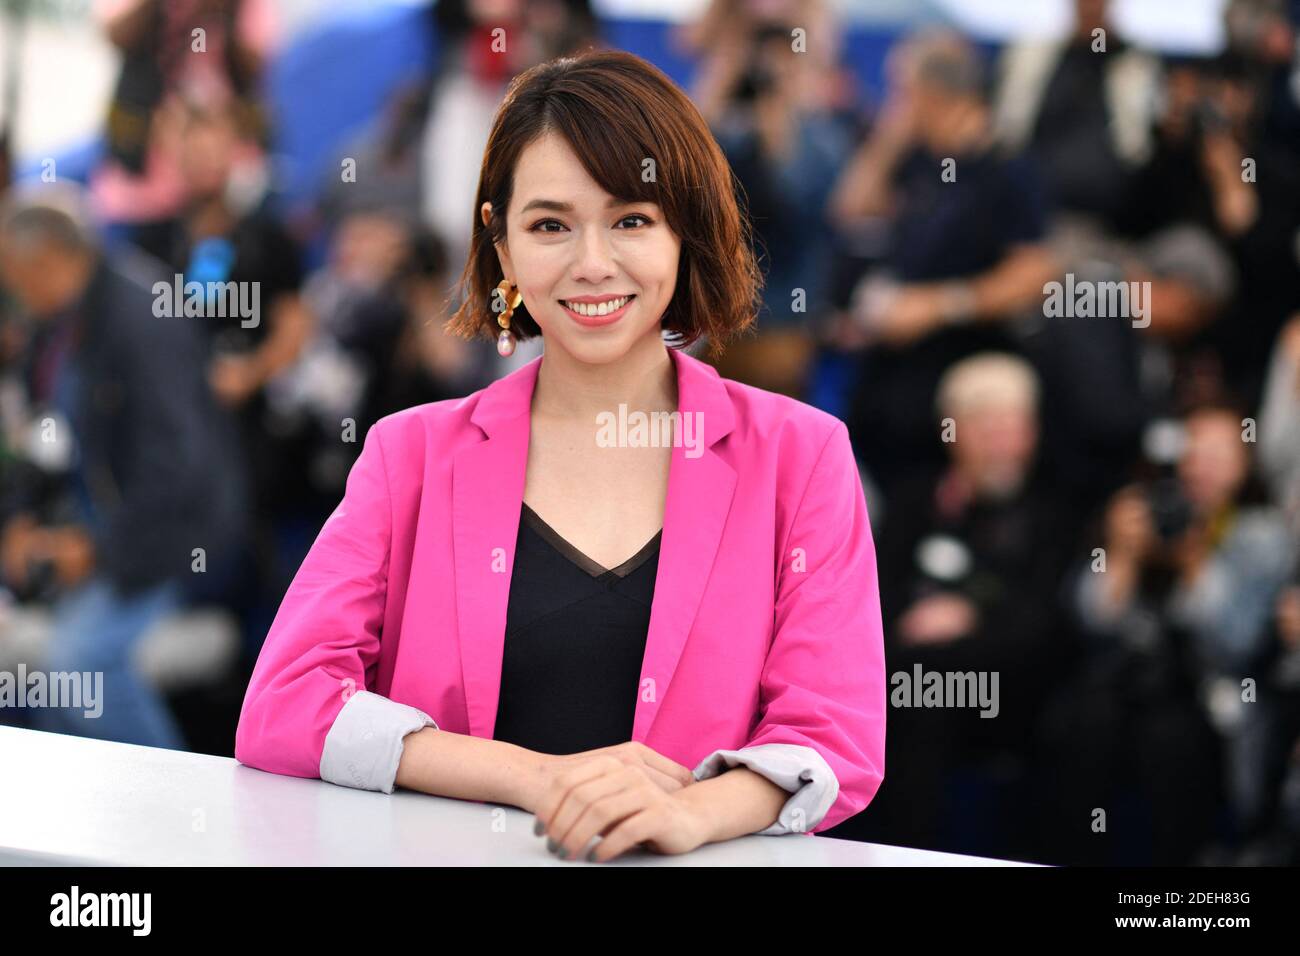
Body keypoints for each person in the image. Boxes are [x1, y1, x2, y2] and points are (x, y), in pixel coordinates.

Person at [235, 50, 886, 862]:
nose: (590, 262)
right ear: (501, 247)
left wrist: (696, 812)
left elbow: (834, 735)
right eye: (549, 224)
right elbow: (284, 705)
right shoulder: (411, 453)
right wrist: (538, 779)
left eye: (632, 220)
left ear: (686, 232)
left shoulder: (802, 456)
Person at [0, 185, 245, 749]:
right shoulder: (53, 327)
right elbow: (38, 438)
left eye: (14, 275)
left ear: (46, 262)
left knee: (72, 668)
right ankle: (94, 823)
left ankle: (181, 805)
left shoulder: (145, 318)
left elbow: (177, 468)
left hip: (177, 548)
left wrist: (97, 548)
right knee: (48, 687)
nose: (11, 291)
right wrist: (19, 520)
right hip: (100, 539)